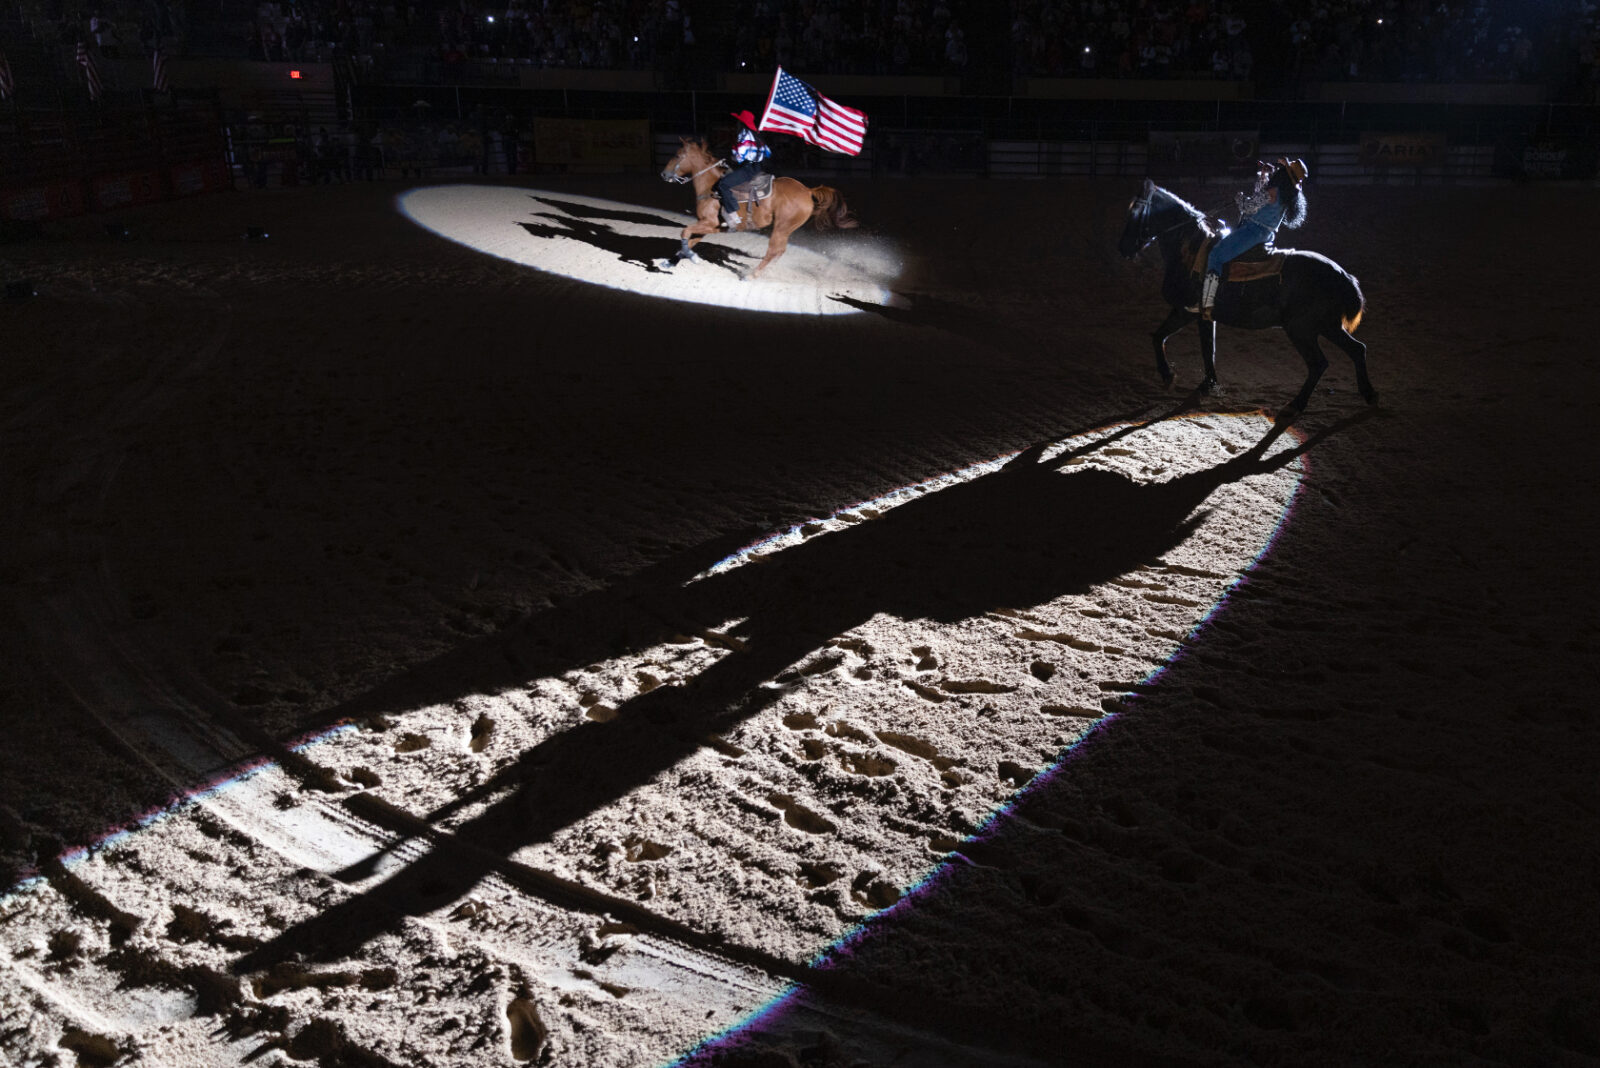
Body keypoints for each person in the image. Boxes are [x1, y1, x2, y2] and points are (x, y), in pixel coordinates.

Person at [1199, 157, 1308, 321]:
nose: (1277, 170)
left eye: (1280, 170)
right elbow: (1260, 196)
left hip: (1252, 231)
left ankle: (1207, 304)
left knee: (1215, 255)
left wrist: (1239, 198)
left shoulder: (1273, 192)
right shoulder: (1286, 194)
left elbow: (1248, 207)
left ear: (1283, 175)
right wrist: (1263, 175)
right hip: (1266, 233)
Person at [715, 110, 770, 231]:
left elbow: (739, 156)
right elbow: (768, 152)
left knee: (723, 184)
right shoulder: (757, 135)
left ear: (742, 123)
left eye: (738, 121)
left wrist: (732, 156)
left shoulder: (744, 134)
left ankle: (734, 216)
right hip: (759, 167)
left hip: (748, 169)